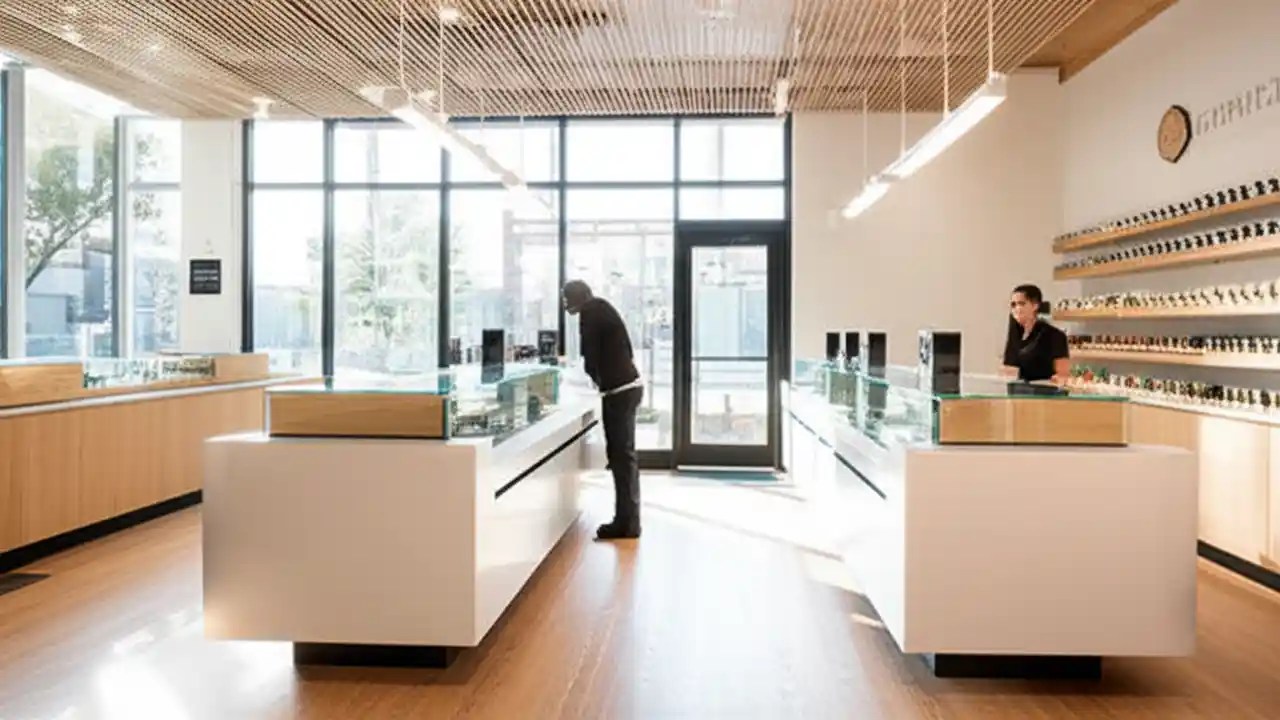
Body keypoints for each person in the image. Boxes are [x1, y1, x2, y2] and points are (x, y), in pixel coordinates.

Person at [563, 280, 644, 540]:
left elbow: (590, 357)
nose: (566, 306)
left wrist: (595, 379)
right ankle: (629, 520)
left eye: (567, 299)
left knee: (620, 458)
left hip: (618, 392)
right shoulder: (603, 307)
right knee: (625, 457)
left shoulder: (590, 313)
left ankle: (626, 523)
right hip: (629, 386)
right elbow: (625, 349)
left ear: (577, 298)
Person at [1001, 283, 1070, 383]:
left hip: (1044, 391)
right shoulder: (1015, 335)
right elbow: (1008, 369)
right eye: (1013, 305)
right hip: (1017, 390)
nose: (1016, 309)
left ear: (1035, 305)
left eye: (1021, 304)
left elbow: (1063, 375)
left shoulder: (1054, 335)